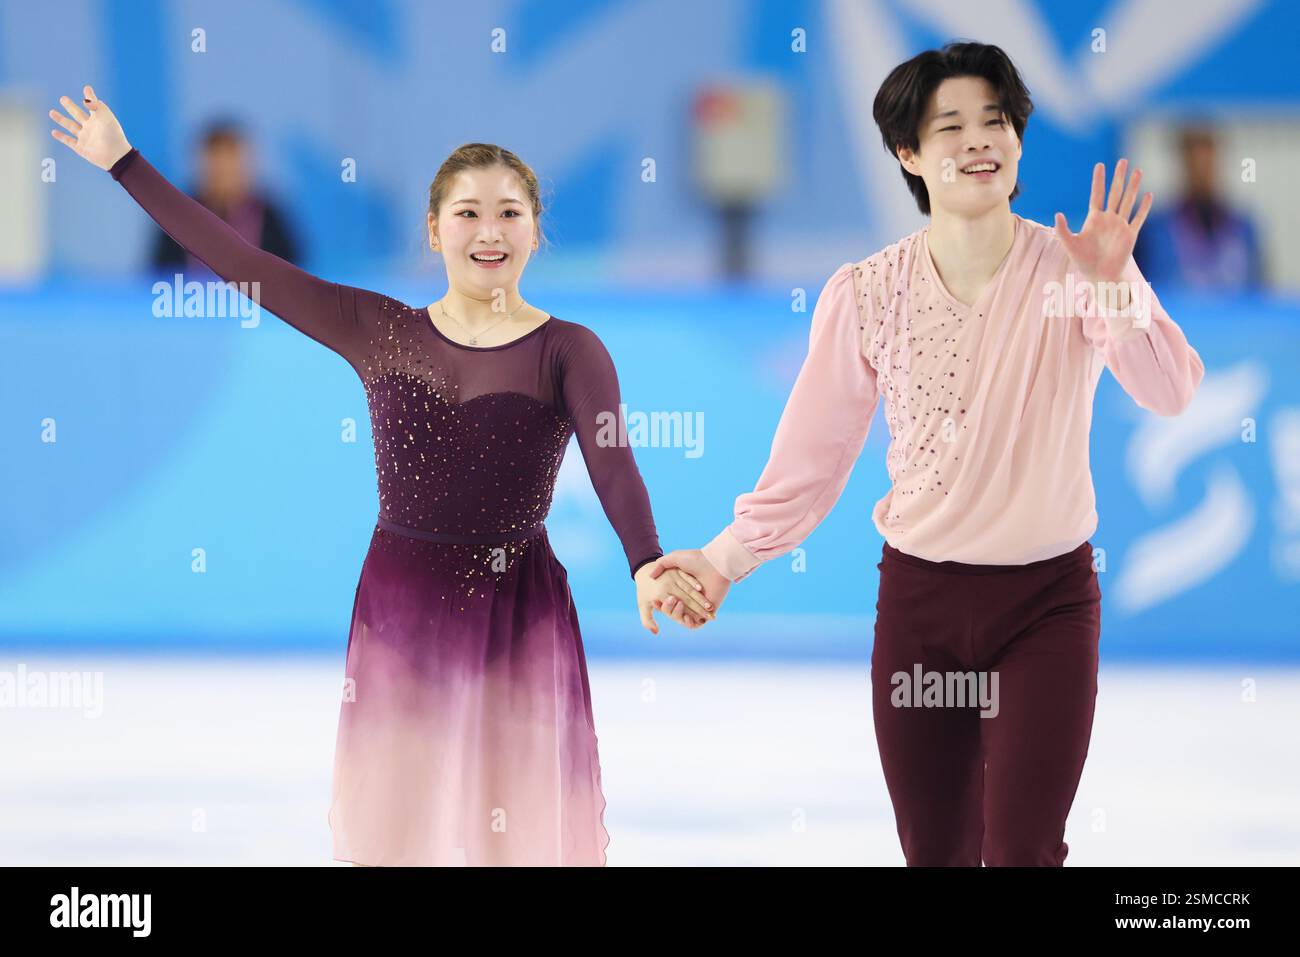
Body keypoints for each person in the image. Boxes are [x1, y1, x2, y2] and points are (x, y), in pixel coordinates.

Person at [50, 84, 714, 867]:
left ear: (538, 230)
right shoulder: (379, 330)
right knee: (396, 841)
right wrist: (125, 164)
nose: (489, 230)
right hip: (402, 613)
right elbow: (241, 262)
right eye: (467, 212)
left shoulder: (571, 349)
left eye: (509, 211)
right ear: (433, 230)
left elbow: (613, 462)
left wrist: (645, 560)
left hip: (519, 611)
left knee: (519, 841)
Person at [650, 42, 1205, 866]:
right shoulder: (867, 291)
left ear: (1018, 140)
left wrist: (1117, 284)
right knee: (937, 852)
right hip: (921, 610)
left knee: (1021, 848)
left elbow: (1172, 393)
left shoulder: (1079, 270)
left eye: (996, 120)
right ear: (909, 152)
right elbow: (813, 459)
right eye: (951, 126)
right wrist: (725, 561)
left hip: (1047, 606)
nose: (980, 140)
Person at [151, 120, 303, 273]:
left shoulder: (270, 217)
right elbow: (158, 276)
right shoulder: (176, 217)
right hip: (192, 295)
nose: (223, 175)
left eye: (229, 166)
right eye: (217, 167)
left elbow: (292, 274)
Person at [1132, 124, 1265, 292]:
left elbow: (1258, 293)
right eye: (1194, 162)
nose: (1202, 171)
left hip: (1233, 317)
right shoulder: (1153, 230)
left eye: (1207, 161)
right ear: (1182, 164)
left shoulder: (1243, 228)